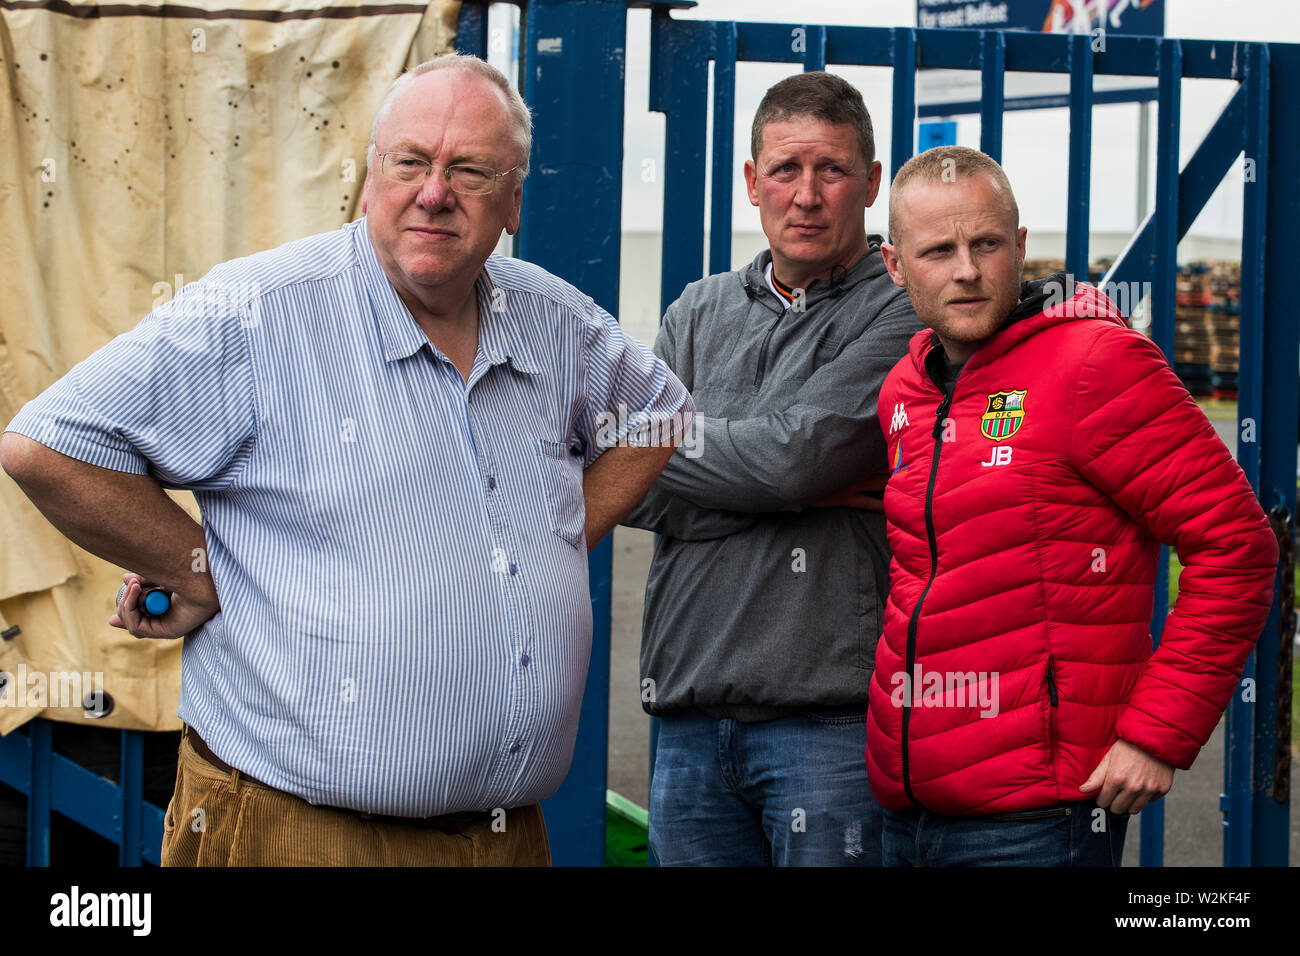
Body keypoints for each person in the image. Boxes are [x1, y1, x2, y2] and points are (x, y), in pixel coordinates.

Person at [0, 54, 693, 867]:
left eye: (469, 169)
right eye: (410, 162)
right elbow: (48, 444)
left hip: (503, 839)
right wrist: (197, 569)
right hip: (299, 833)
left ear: (512, 200)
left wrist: (557, 541)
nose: (433, 192)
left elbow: (659, 414)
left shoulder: (552, 320)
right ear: (370, 180)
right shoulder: (262, 313)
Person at [870, 145, 1278, 866]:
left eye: (986, 243)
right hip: (910, 803)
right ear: (896, 265)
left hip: (1037, 817)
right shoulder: (906, 390)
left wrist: (1158, 732)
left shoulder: (1096, 362)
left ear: (1020, 247)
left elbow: (1237, 546)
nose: (966, 269)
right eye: (938, 250)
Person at [622, 71, 922, 866]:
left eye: (831, 170)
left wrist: (775, 474)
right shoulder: (698, 309)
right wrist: (794, 488)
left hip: (825, 730)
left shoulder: (901, 307)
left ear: (872, 182)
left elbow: (798, 458)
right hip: (689, 723)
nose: (808, 194)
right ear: (753, 183)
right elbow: (626, 481)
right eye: (786, 170)